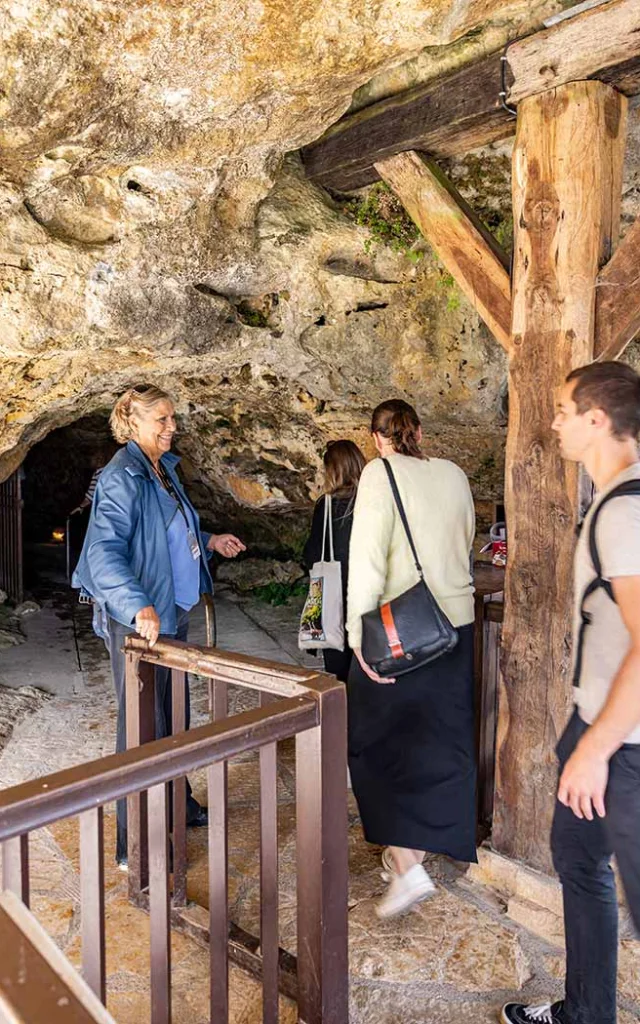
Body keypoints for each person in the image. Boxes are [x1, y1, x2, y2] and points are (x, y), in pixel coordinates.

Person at [503, 361, 640, 1024]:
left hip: (623, 740)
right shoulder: (619, 499)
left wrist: (594, 749)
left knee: (597, 871)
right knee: (579, 860)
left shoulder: (623, 513)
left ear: (596, 419)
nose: (553, 423)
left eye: (562, 410)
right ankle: (586, 1012)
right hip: (604, 726)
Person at [73, 384, 246, 866]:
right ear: (134, 422)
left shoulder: (161, 467)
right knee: (141, 727)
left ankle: (177, 802)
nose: (173, 427)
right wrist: (137, 605)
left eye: (173, 418)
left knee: (173, 714)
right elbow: (102, 552)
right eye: (163, 419)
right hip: (142, 622)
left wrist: (208, 541)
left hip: (172, 610)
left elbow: (168, 531)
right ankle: (133, 844)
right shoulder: (122, 476)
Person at [346, 398, 476, 918]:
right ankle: (413, 855)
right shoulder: (455, 474)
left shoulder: (378, 474)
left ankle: (405, 864)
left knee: (374, 744)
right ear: (418, 432)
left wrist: (357, 636)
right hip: (455, 629)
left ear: (377, 439)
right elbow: (465, 539)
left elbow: (367, 562)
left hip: (403, 633)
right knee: (438, 745)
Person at [303, 439, 366, 682]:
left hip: (334, 596)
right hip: (368, 593)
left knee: (339, 671)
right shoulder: (372, 501)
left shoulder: (327, 505)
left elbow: (312, 554)